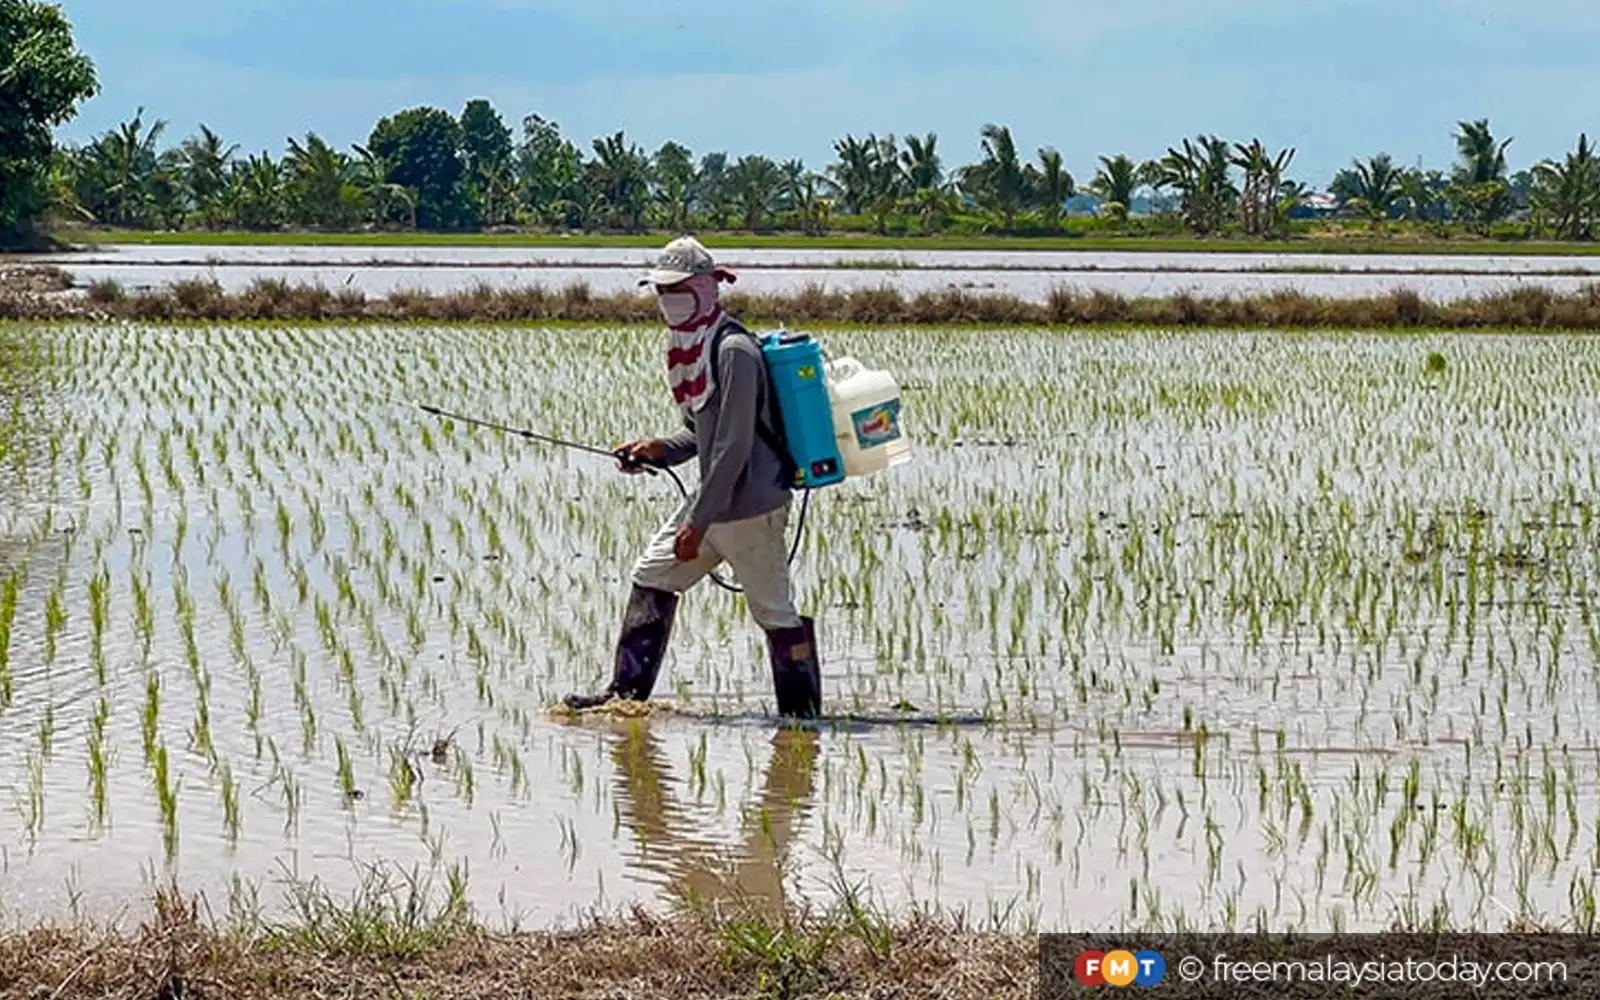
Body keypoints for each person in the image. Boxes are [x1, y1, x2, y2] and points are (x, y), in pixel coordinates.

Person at [563, 236, 823, 718]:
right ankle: (624, 699)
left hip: (750, 508)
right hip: (713, 502)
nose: (669, 301)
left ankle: (802, 720)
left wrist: (697, 522)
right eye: (662, 291)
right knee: (653, 577)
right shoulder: (692, 349)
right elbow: (699, 435)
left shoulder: (734, 351)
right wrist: (657, 450)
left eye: (678, 289)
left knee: (773, 612)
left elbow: (732, 446)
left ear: (708, 287)